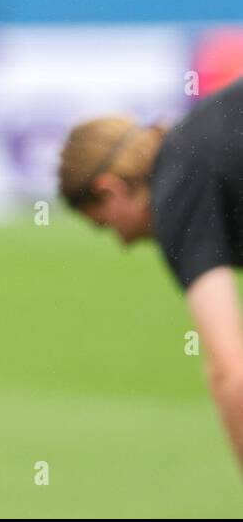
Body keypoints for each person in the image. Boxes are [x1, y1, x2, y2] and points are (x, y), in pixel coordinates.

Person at [58, 77, 243, 474]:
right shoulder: (208, 139)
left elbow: (231, 370)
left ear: (110, 190)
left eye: (105, 225)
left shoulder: (177, 188)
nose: (122, 243)